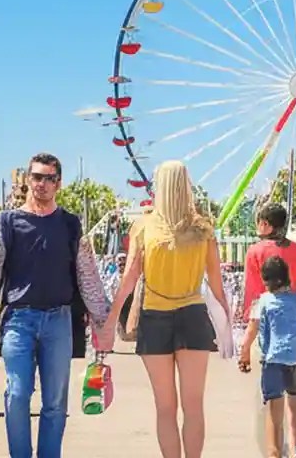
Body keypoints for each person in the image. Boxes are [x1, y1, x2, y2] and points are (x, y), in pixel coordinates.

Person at [0, 153, 112, 458]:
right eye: (36, 177)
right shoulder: (7, 222)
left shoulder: (71, 225)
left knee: (55, 402)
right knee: (18, 395)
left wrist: (102, 321)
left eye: (49, 178)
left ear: (58, 183)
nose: (42, 184)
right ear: (27, 180)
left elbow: (88, 274)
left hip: (58, 322)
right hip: (18, 320)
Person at [99, 160, 226, 458]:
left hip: (154, 318)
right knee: (194, 406)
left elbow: (130, 278)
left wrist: (110, 321)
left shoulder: (144, 226)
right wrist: (227, 322)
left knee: (165, 407)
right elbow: (217, 283)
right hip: (194, 316)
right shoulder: (203, 228)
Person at [239, 256, 296, 458]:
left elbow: (252, 331)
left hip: (272, 360)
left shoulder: (263, 301)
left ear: (266, 280)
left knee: (274, 408)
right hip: (294, 357)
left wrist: (244, 355)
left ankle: (274, 452)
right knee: (295, 400)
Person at [241, 204, 296, 321]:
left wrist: (247, 316)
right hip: (293, 314)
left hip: (265, 315)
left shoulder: (255, 251)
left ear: (265, 224)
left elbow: (251, 288)